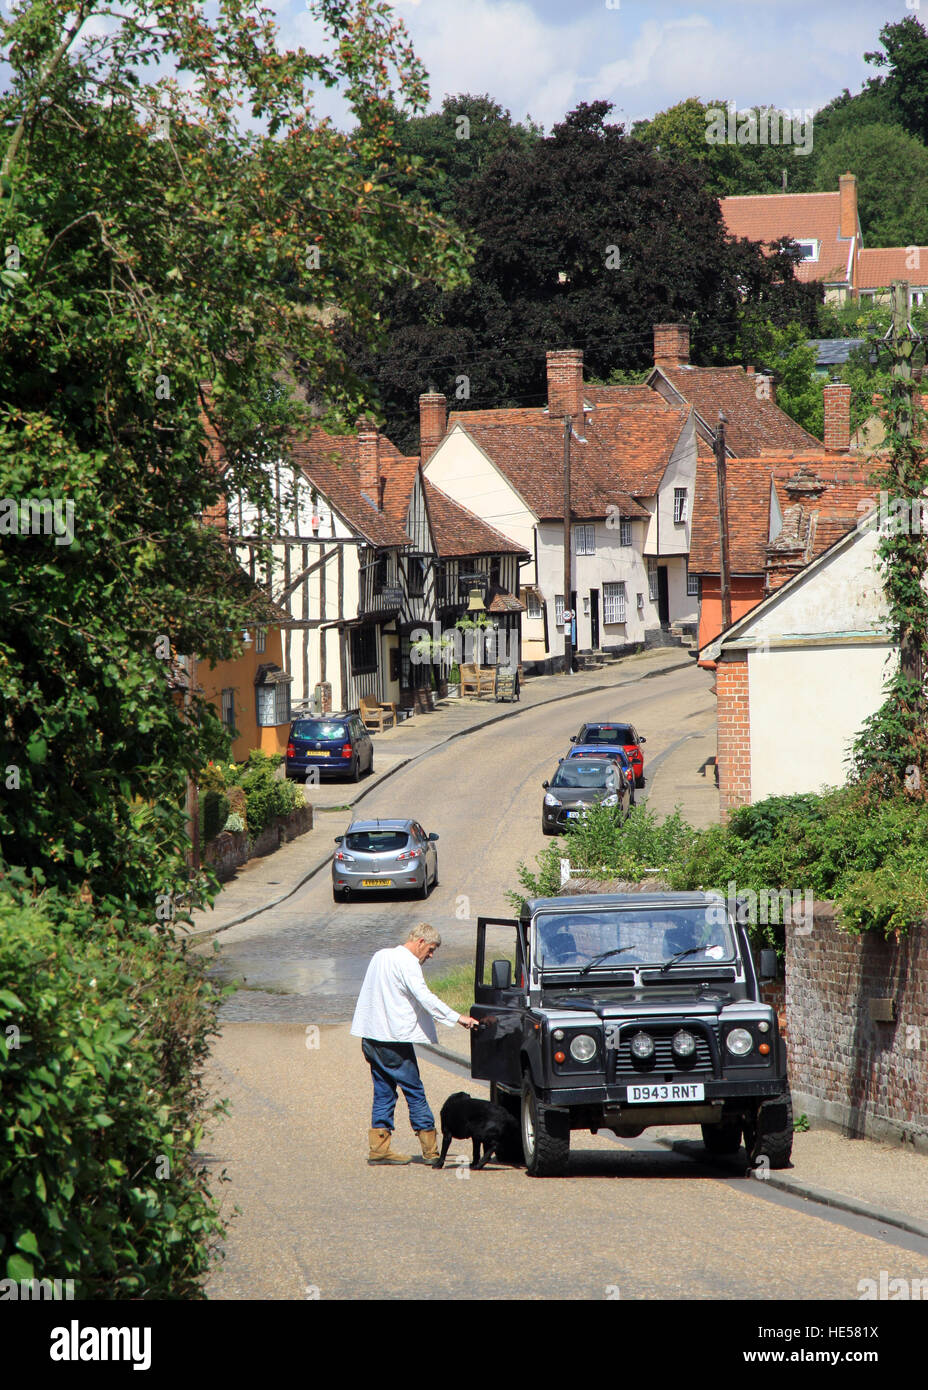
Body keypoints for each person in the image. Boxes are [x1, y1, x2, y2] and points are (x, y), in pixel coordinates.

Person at [351, 922, 478, 1165]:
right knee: (414, 1091)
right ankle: (431, 1150)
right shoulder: (407, 963)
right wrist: (457, 1017)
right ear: (420, 942)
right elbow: (425, 997)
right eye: (430, 949)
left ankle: (379, 1148)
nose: (430, 955)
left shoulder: (381, 955)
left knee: (384, 1089)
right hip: (393, 1039)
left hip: (370, 1036)